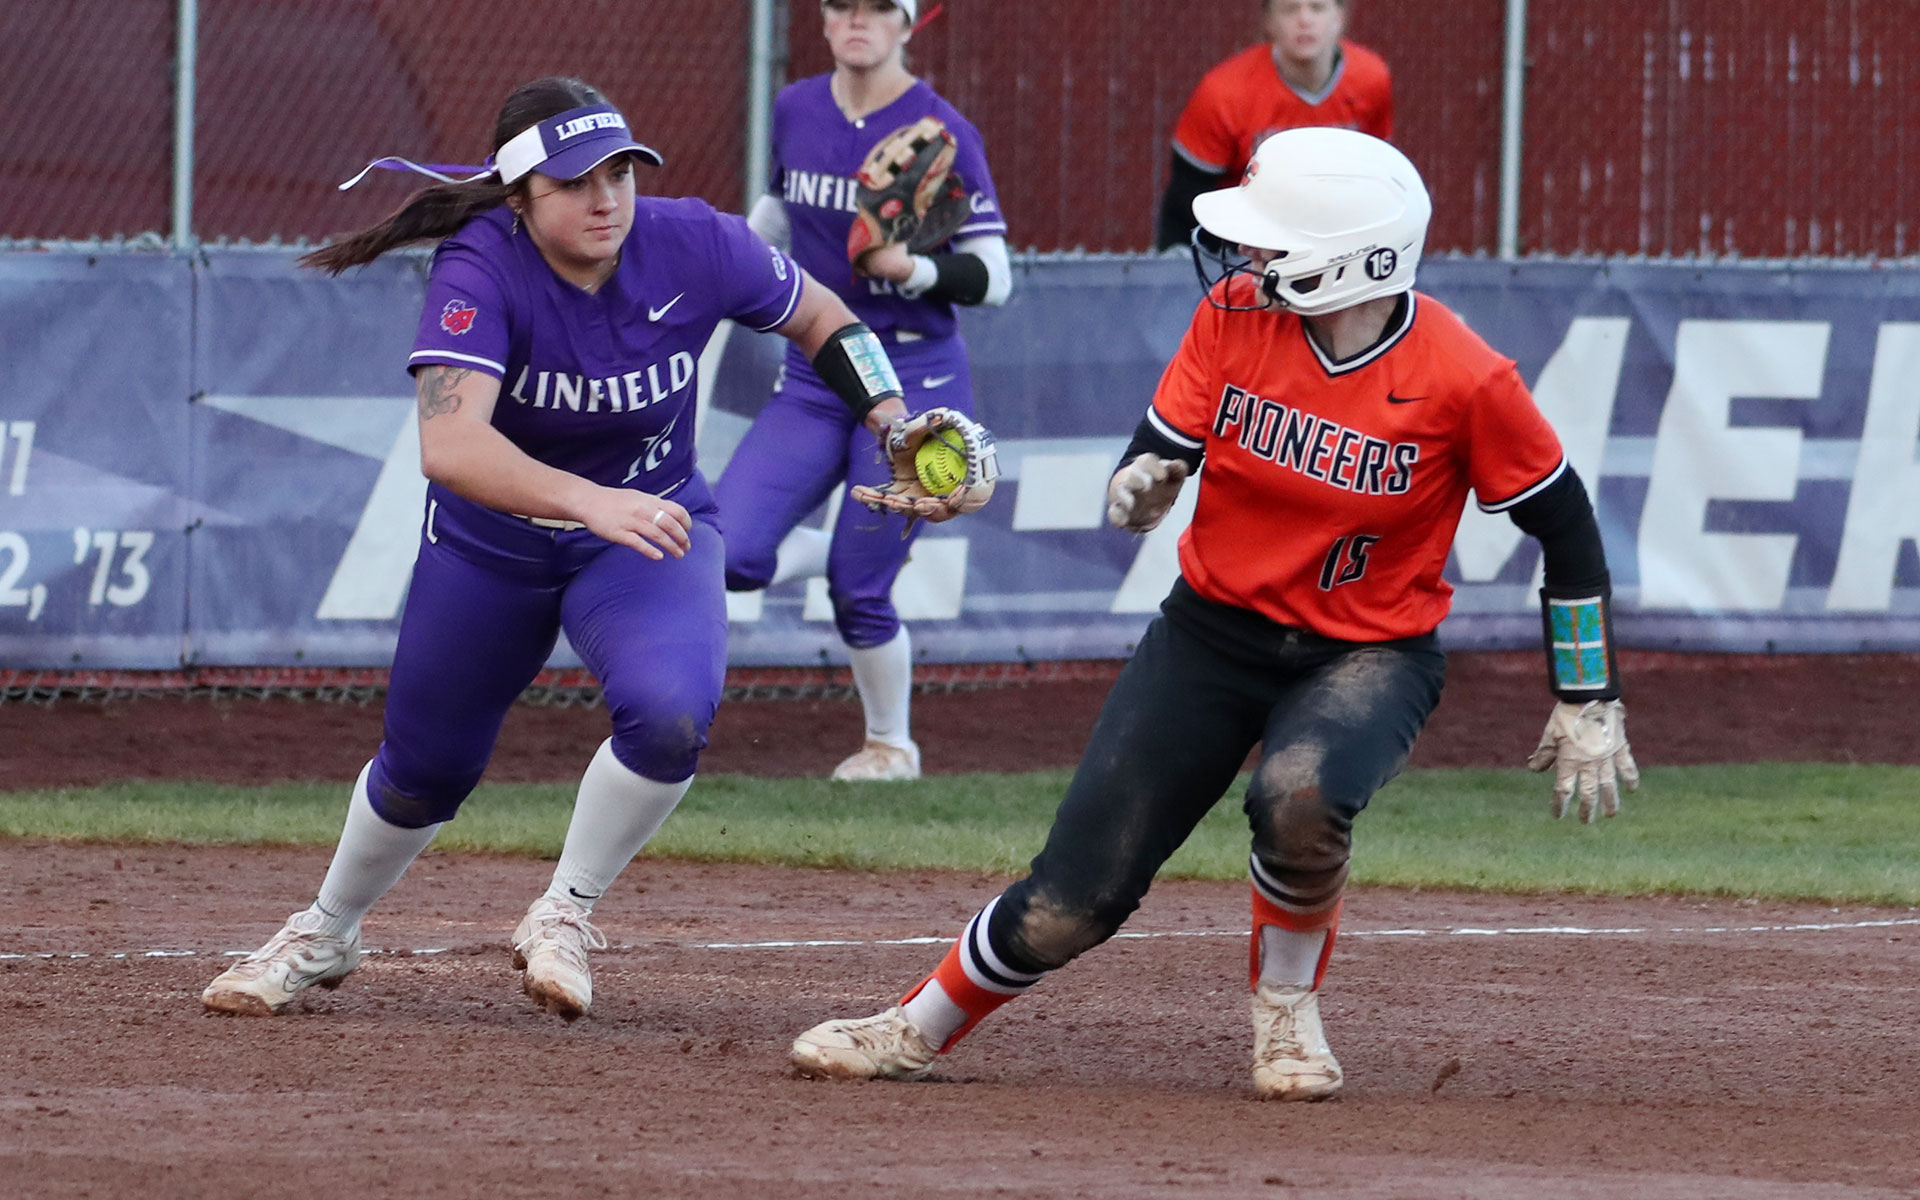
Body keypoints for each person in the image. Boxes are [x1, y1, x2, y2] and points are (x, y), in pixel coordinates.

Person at [789, 128, 1640, 1099]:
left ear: (1353, 257)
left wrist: (1587, 693)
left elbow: (1567, 530)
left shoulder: (1465, 377)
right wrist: (1137, 487)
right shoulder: (1237, 312)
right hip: (1210, 631)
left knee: (1300, 795)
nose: (1248, 258)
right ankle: (916, 1027)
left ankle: (1285, 1017)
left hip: (1368, 653)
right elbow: (1156, 448)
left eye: (1274, 241)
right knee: (1073, 901)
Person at [201, 76, 991, 1020]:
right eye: (576, 181)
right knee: (424, 770)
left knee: (668, 716)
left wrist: (891, 416)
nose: (606, 197)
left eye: (619, 171)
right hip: (495, 546)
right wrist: (586, 500)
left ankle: (564, 913)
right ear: (520, 194)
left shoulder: (691, 239)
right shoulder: (480, 265)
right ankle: (326, 931)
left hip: (649, 531)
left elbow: (826, 316)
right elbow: (451, 446)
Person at [715, 0, 1013, 782]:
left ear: (909, 23)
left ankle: (892, 748)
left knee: (861, 591)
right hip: (818, 370)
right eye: (842, 4)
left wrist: (909, 268)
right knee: (729, 553)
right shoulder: (795, 107)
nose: (858, 20)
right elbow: (776, 216)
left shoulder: (943, 130)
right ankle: (842, 549)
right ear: (821, 19)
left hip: (918, 376)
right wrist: (726, 267)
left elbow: (995, 278)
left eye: (879, 7)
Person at [1155, 0, 1393, 251]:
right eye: (1290, 9)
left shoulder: (1371, 80)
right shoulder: (1224, 93)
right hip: (1241, 247)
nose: (1304, 20)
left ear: (1339, 17)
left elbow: (1376, 180)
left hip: (1336, 240)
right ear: (1268, 21)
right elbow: (1187, 201)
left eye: (1317, 8)